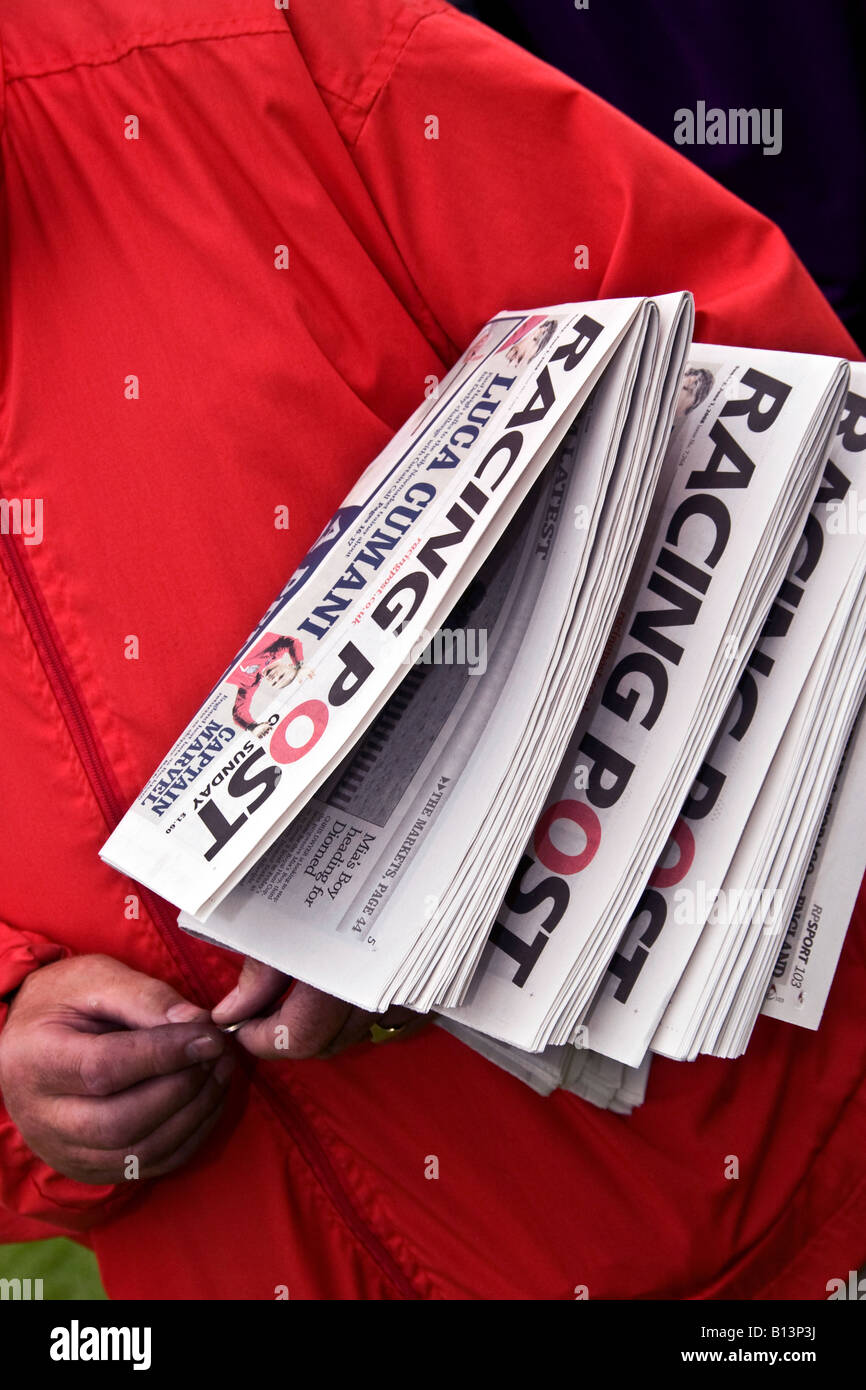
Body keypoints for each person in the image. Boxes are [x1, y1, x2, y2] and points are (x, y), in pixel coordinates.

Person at [0, 0, 864, 1300]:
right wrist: (20, 1076)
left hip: (783, 1210)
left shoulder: (267, 51)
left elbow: (776, 409)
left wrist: (445, 853)